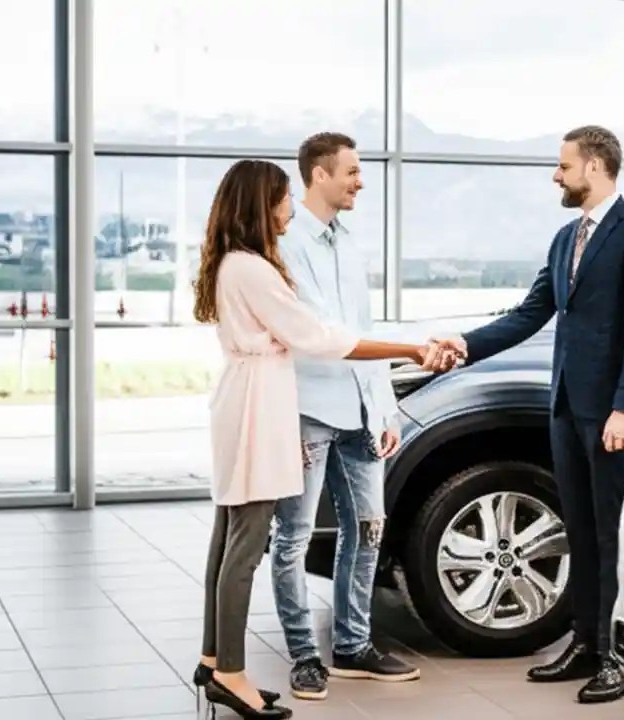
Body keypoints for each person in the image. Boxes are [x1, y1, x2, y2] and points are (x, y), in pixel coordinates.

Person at [191, 159, 451, 719]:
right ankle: (231, 676)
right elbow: (321, 337)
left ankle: (213, 658)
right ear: (263, 205)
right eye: (283, 199)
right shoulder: (256, 270)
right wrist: (408, 350)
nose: (289, 209)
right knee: (248, 542)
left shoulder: (233, 264)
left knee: (227, 534)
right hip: (259, 407)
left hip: (241, 398)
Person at [426, 125, 624, 705]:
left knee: (613, 536)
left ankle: (618, 657)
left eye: (563, 166)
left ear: (594, 166)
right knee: (579, 532)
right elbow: (529, 313)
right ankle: (585, 644)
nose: (555, 176)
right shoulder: (566, 239)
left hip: (612, 415)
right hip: (565, 407)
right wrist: (463, 344)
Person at [269, 132, 420, 702]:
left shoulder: (349, 242)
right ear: (319, 175)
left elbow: (361, 324)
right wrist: (409, 350)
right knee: (294, 537)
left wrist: (385, 406)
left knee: (369, 530)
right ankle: (305, 656)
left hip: (360, 409)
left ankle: (353, 646)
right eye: (352, 172)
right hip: (308, 408)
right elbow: (323, 335)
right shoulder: (285, 244)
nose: (360, 181)